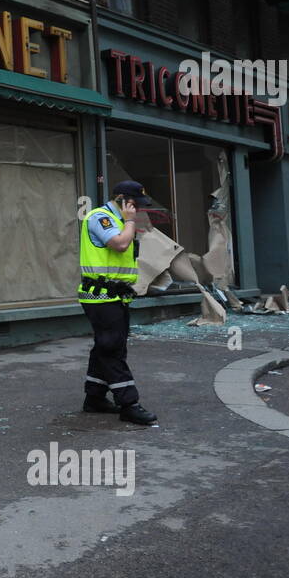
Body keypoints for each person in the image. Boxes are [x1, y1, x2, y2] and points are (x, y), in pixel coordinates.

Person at [78, 180, 159, 425]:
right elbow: (120, 243)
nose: (138, 209)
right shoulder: (99, 217)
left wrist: (128, 221)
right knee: (112, 348)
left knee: (106, 346)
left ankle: (94, 398)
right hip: (99, 294)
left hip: (116, 294)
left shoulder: (120, 220)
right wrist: (130, 221)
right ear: (123, 199)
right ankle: (129, 404)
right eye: (135, 204)